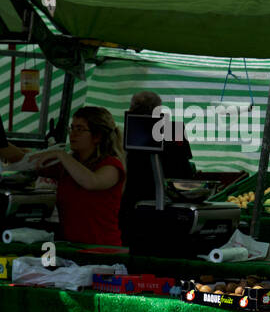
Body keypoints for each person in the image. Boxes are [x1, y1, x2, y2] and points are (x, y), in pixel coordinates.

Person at [27, 106, 126, 246]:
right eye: (72, 128)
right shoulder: (68, 164)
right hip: (72, 249)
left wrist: (60, 154)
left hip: (104, 252)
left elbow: (91, 181)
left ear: (97, 136)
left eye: (80, 129)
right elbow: (27, 160)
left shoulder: (112, 165)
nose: (72, 134)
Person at [119, 90, 195, 245]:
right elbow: (186, 169)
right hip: (168, 202)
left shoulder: (128, 131)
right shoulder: (175, 129)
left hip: (136, 201)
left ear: (131, 109)